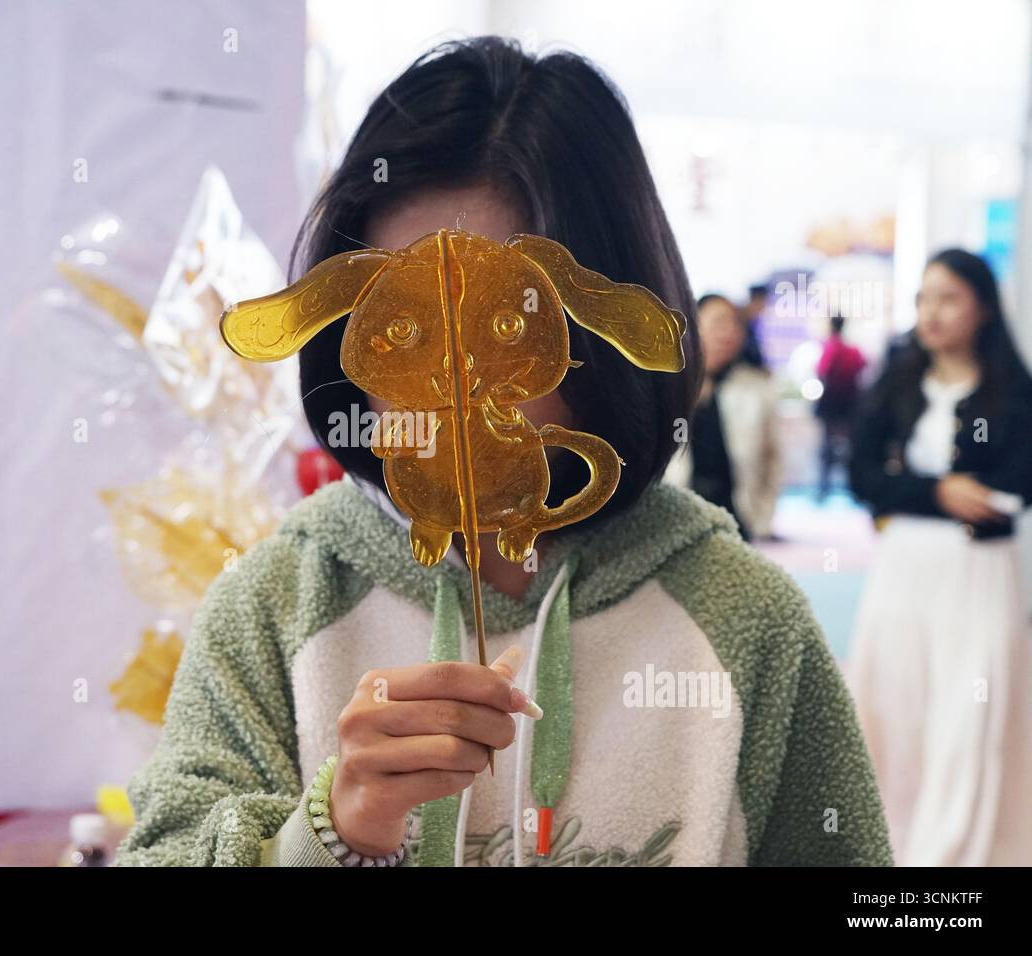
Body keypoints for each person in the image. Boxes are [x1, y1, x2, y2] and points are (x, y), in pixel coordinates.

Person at [116, 37, 890, 868]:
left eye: (500, 323)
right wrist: (331, 830)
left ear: (595, 334)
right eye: (407, 325)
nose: (449, 379)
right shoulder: (276, 606)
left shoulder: (744, 618)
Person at [847, 248, 1032, 866]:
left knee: (970, 708)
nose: (932, 313)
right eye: (924, 298)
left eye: (949, 298)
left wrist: (974, 495)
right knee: (898, 705)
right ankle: (890, 842)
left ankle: (955, 851)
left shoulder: (1013, 389)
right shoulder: (896, 381)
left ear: (983, 308)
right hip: (905, 567)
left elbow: (1019, 482)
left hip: (979, 569)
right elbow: (863, 476)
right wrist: (937, 492)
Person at [663, 294, 784, 542]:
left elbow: (772, 457)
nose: (728, 332)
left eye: (735, 324)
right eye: (719, 322)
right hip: (676, 517)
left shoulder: (756, 388)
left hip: (737, 516)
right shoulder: (668, 385)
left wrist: (763, 514)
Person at [814, 314, 867, 502]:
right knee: (849, 447)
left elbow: (821, 372)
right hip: (850, 404)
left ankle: (824, 489)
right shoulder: (852, 350)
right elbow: (863, 368)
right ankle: (851, 486)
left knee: (827, 447)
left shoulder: (830, 348)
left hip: (832, 403)